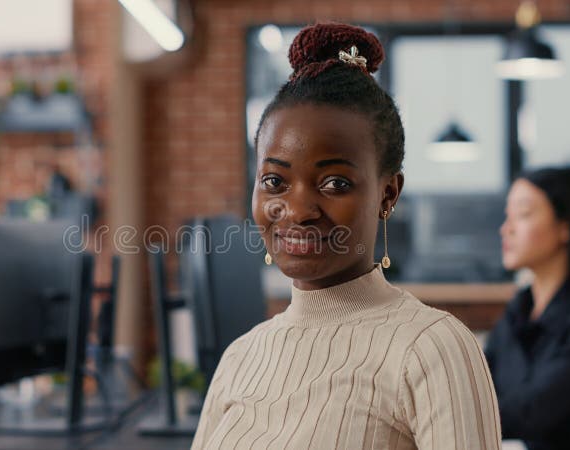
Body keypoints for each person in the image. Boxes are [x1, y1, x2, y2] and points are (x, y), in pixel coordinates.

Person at [191, 23, 501, 450]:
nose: (297, 211)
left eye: (335, 183)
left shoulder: (432, 348)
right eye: (275, 181)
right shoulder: (241, 358)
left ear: (387, 195)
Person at [485, 167, 570, 450]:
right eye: (508, 216)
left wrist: (447, 419)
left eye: (524, 214)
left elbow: (532, 412)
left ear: (566, 226)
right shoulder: (517, 313)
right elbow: (479, 388)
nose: (506, 228)